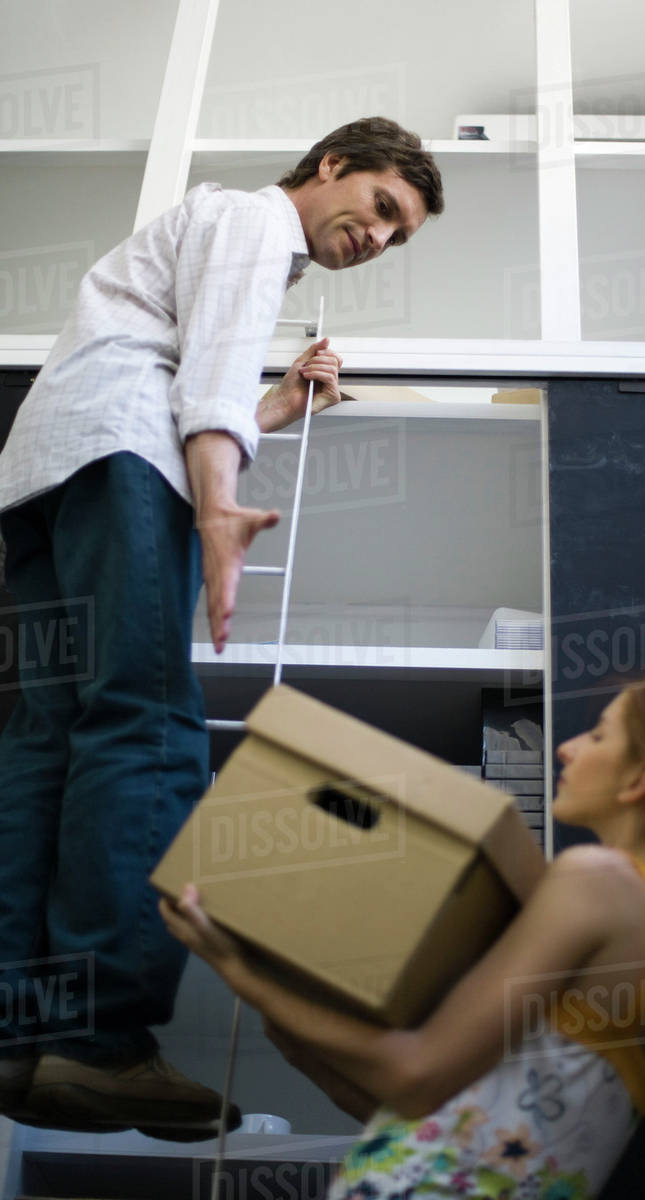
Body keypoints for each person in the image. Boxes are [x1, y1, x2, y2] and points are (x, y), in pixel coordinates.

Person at [0, 117, 443, 1135]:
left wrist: (276, 408)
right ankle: (101, 1042)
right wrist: (217, 513)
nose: (378, 238)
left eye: (398, 236)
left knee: (47, 746)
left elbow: (182, 379)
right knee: (146, 732)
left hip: (48, 476)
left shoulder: (201, 229)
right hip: (123, 471)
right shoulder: (256, 221)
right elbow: (201, 393)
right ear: (330, 167)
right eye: (380, 207)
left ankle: (21, 1038)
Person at [161, 674, 645, 1196]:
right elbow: (464, 1119)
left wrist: (237, 971)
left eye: (598, 734)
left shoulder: (598, 880)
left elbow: (417, 1077)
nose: (567, 747)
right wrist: (299, 1033)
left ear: (640, 779)